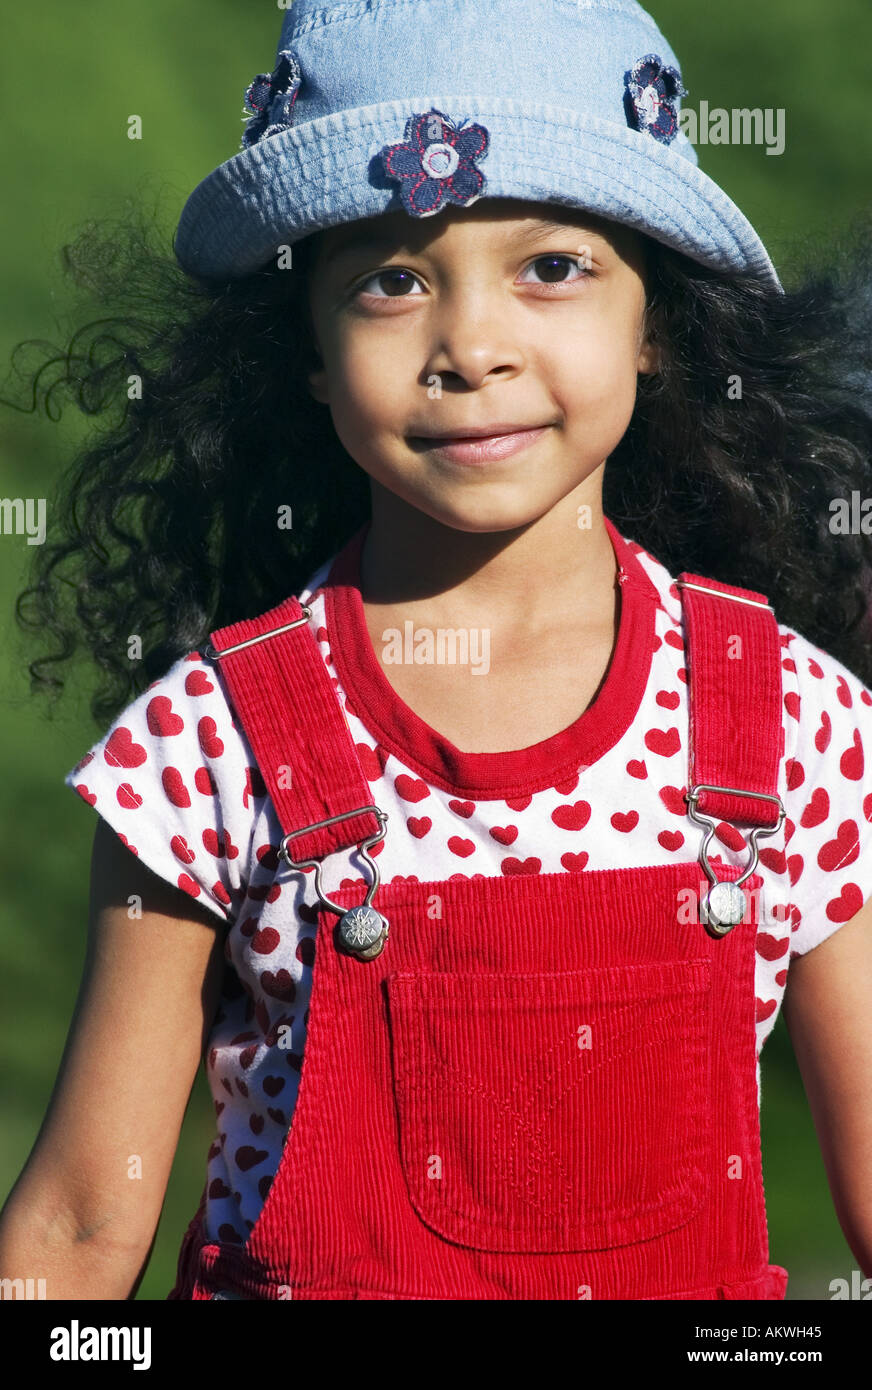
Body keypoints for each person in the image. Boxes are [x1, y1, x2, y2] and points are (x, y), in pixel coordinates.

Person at [2, 0, 872, 1301]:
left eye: (555, 266)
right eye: (392, 281)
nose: (471, 346)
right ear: (305, 344)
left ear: (655, 321)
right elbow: (77, 1230)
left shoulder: (793, 722)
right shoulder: (208, 745)